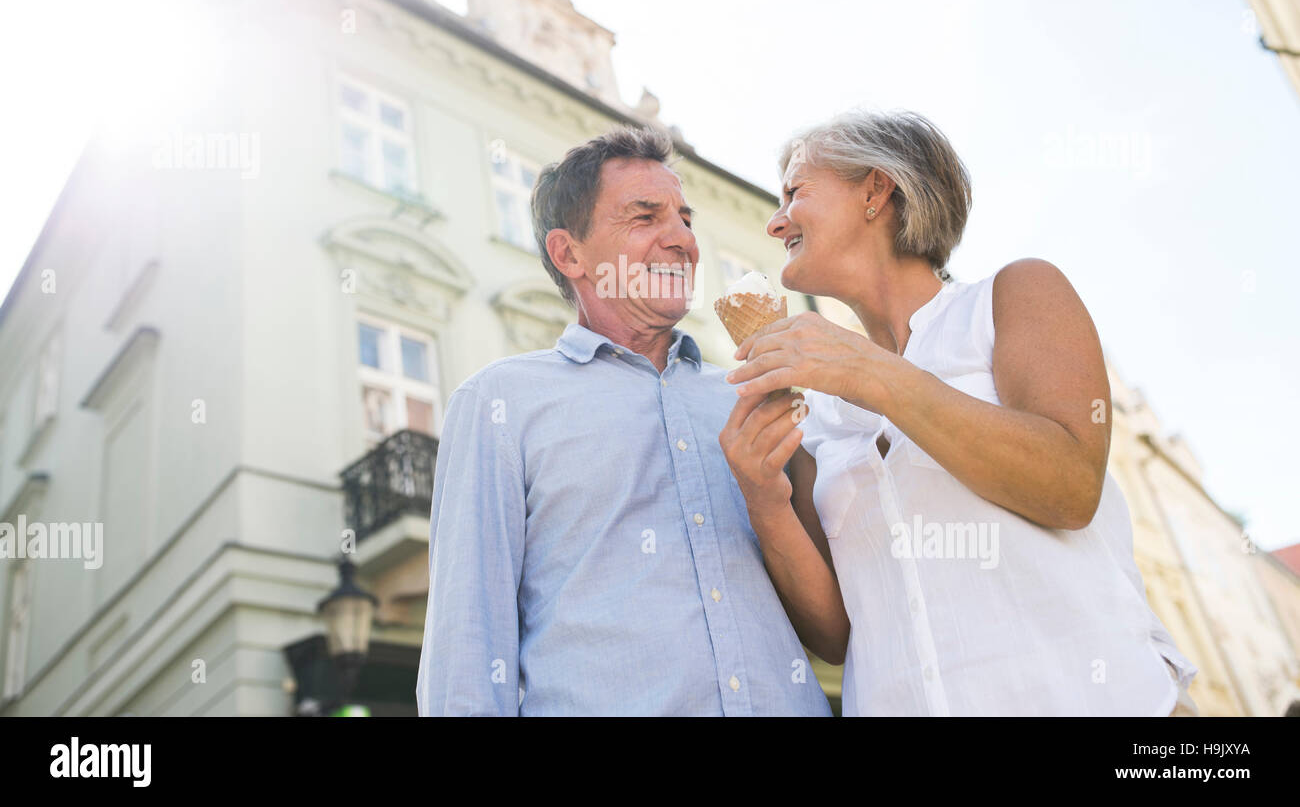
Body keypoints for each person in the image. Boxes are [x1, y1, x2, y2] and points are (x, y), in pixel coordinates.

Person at [719, 109, 1198, 716]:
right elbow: (837, 635)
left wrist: (869, 372)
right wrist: (765, 498)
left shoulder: (1013, 297)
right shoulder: (816, 407)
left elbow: (1070, 487)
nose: (774, 220)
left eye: (795, 191)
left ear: (876, 189)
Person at [416, 124, 831, 716]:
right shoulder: (499, 403)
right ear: (570, 254)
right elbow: (465, 654)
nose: (682, 241)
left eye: (685, 219)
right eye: (644, 218)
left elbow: (830, 629)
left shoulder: (751, 395)